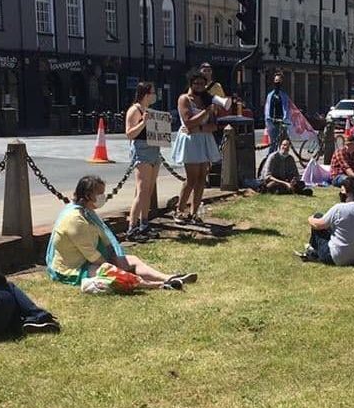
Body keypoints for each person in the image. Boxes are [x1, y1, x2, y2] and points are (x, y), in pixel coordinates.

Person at [48, 175, 193, 290]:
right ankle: (155, 286)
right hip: (74, 268)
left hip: (90, 261)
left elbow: (106, 240)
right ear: (87, 195)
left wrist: (114, 258)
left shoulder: (88, 213)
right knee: (112, 273)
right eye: (99, 194)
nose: (103, 197)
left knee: (133, 260)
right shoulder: (75, 220)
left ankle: (167, 277)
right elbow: (92, 255)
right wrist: (113, 266)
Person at [172, 71, 224, 223]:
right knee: (191, 178)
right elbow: (188, 122)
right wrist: (205, 112)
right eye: (197, 84)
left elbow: (214, 125)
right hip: (190, 142)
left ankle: (194, 212)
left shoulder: (207, 99)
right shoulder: (184, 99)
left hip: (203, 139)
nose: (200, 87)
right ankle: (179, 210)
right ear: (191, 84)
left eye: (202, 84)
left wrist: (201, 128)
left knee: (202, 178)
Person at [301, 176, 354, 266]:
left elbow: (318, 225)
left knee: (318, 216)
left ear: (348, 192)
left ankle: (313, 250)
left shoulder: (339, 208)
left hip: (338, 257)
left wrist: (310, 219)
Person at [122, 83, 164, 239]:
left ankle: (144, 223)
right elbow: (129, 134)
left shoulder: (150, 110)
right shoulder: (135, 110)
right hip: (142, 151)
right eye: (153, 93)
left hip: (154, 150)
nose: (155, 95)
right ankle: (132, 227)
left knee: (149, 190)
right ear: (146, 94)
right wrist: (143, 122)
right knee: (141, 191)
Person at [264, 71, 292, 150]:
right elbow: (267, 108)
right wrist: (268, 119)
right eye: (276, 81)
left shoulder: (284, 96)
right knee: (273, 144)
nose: (277, 83)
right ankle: (270, 158)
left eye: (279, 81)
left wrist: (285, 119)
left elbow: (286, 108)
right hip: (273, 122)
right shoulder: (270, 95)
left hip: (282, 123)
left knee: (283, 144)